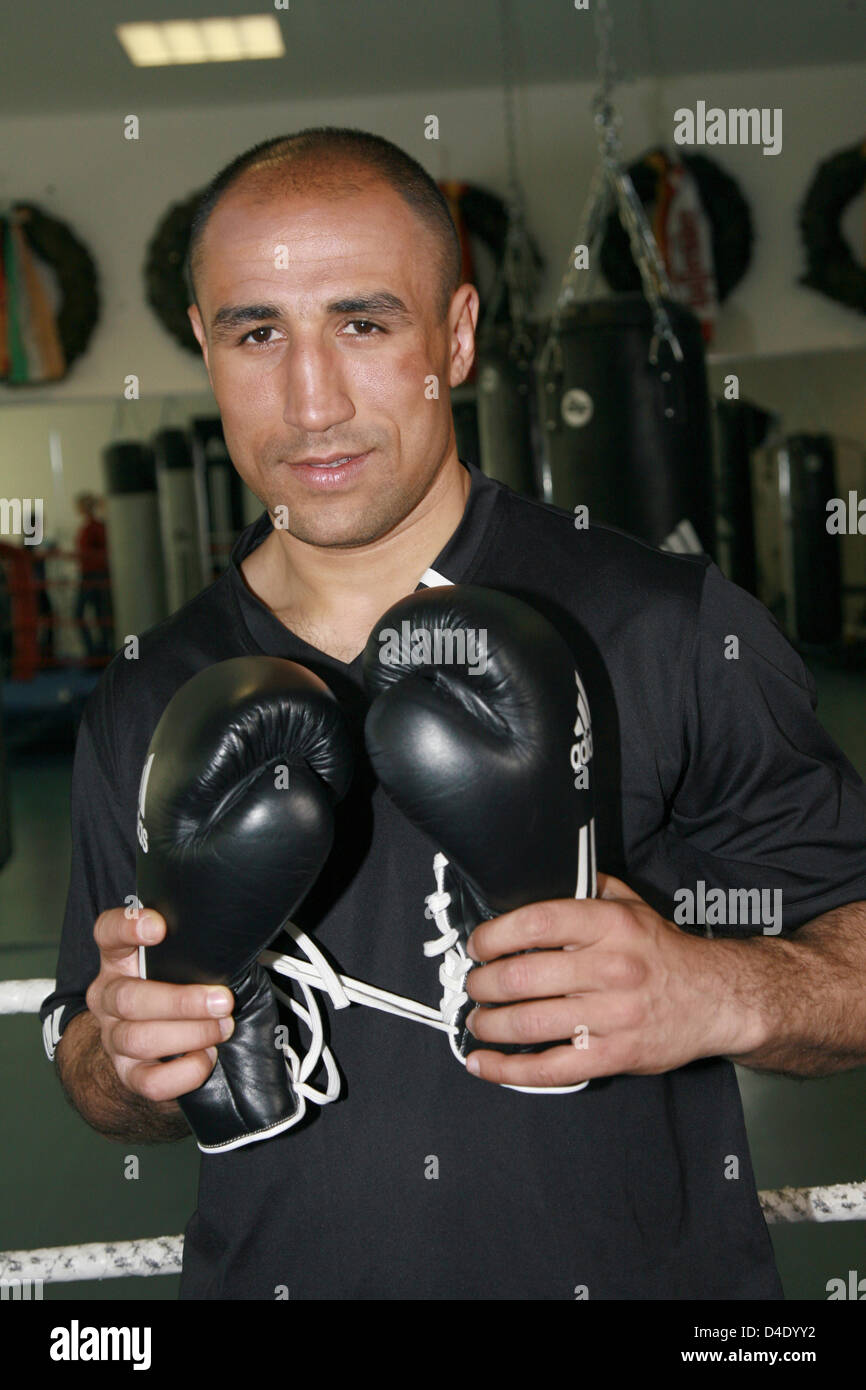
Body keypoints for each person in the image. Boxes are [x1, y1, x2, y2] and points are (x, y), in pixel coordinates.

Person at [41, 128, 866, 1300]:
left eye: (363, 322)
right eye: (256, 331)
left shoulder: (661, 624)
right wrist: (127, 1060)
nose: (310, 399)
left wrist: (707, 989)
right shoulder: (146, 692)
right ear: (204, 349)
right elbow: (87, 1053)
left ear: (458, 336)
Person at [73, 492, 112, 661]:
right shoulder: (93, 527)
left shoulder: (95, 527)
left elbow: (97, 553)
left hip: (93, 576)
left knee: (93, 614)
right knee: (97, 614)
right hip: (91, 575)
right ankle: (97, 651)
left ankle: (97, 652)